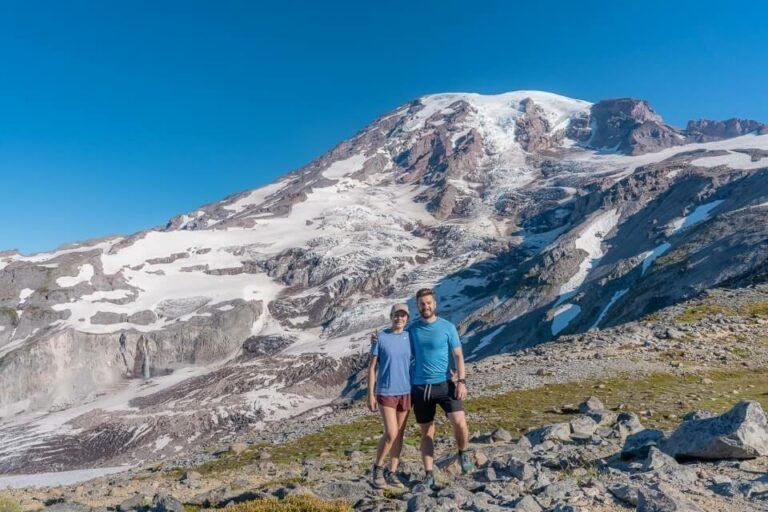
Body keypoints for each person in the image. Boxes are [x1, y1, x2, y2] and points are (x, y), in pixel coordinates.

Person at [371, 288, 473, 489]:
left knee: (459, 422)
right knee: (427, 432)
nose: (425, 306)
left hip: (445, 383)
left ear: (434, 304)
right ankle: (428, 473)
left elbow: (459, 356)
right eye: (421, 304)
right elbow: (394, 333)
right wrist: (376, 338)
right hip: (420, 387)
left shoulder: (448, 327)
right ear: (417, 307)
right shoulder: (412, 329)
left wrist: (461, 381)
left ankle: (463, 451)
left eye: (428, 303)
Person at [367, 303, 412, 489]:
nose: (399, 318)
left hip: (406, 390)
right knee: (391, 432)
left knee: (399, 433)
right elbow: (372, 368)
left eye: (403, 315)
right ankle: (377, 468)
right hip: (386, 391)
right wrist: (370, 394)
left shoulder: (410, 337)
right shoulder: (381, 338)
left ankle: (392, 471)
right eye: (396, 315)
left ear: (407, 318)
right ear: (391, 316)